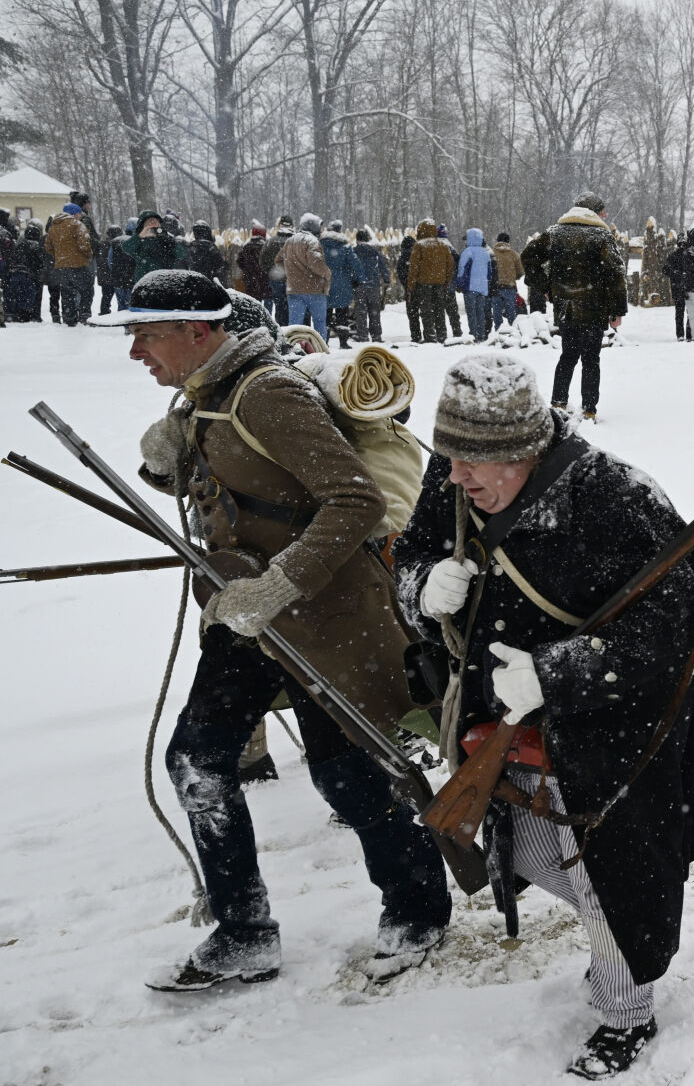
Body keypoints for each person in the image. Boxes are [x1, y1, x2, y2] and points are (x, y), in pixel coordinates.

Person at [392, 353, 694, 1079]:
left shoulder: (613, 495)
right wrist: (420, 585)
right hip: (503, 726)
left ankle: (626, 1008)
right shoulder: (455, 476)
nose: (456, 478)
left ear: (525, 451)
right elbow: (413, 549)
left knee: (609, 871)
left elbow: (681, 622)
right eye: (450, 458)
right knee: (534, 853)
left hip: (618, 726)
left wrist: (556, 674)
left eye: (476, 463)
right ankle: (625, 916)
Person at [88, 270, 451, 989]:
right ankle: (244, 930)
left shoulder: (269, 393)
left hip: (320, 614)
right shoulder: (208, 395)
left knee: (348, 775)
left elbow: (353, 499)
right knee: (196, 760)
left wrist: (280, 583)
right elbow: (236, 483)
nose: (135, 350)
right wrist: (169, 455)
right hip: (245, 612)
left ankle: (418, 909)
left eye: (146, 333)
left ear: (199, 331)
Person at [537, 192, 627, 417]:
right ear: (593, 211)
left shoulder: (555, 233)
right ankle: (588, 410)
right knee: (591, 360)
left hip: (567, 308)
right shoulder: (601, 235)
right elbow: (615, 273)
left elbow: (529, 259)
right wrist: (617, 309)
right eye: (602, 211)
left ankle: (558, 403)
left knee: (568, 356)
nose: (605, 215)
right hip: (594, 308)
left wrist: (547, 286)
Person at [43, 200, 95, 326]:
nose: (81, 215)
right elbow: (85, 245)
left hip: (61, 266)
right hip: (78, 265)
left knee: (67, 293)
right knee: (87, 290)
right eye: (79, 213)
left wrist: (60, 256)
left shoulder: (53, 227)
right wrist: (88, 255)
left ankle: (69, 318)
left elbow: (48, 247)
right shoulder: (77, 225)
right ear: (74, 214)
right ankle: (84, 316)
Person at [406, 220, 457, 344]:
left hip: (423, 284)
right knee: (439, 310)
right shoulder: (443, 245)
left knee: (426, 310)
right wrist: (446, 282)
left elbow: (414, 267)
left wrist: (411, 285)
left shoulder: (419, 245)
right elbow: (450, 265)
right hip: (439, 283)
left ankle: (430, 336)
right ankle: (442, 335)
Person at [283, 212, 331, 338]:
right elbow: (316, 264)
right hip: (314, 289)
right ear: (313, 227)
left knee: (294, 325)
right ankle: (321, 350)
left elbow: (278, 261)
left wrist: (292, 273)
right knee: (319, 322)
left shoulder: (290, 240)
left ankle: (292, 347)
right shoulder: (312, 241)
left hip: (294, 289)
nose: (321, 230)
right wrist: (328, 274)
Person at [321, 220, 360, 348]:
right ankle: (343, 342)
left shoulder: (320, 244)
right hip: (343, 284)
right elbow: (355, 264)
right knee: (342, 314)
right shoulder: (345, 246)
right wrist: (358, 278)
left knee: (325, 314)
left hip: (324, 283)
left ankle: (323, 341)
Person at [456, 228, 497, 342]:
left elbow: (462, 270)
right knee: (481, 312)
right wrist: (486, 284)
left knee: (471, 312)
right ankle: (482, 334)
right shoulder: (485, 253)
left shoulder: (468, 252)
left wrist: (460, 285)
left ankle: (473, 335)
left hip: (470, 287)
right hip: (482, 288)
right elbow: (489, 273)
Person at [351, 228, 392, 343]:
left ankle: (363, 336)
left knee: (361, 313)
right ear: (367, 239)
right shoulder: (375, 252)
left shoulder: (353, 252)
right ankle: (376, 335)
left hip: (359, 286)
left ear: (357, 239)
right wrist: (386, 280)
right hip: (373, 286)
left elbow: (349, 268)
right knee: (374, 312)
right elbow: (383, 267)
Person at [5, 220, 47, 322]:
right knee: (28, 295)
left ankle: (12, 314)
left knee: (14, 294)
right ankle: (26, 315)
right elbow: (40, 262)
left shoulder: (20, 245)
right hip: (29, 275)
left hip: (16, 272)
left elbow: (13, 258)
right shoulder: (37, 247)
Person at [260, 216, 294, 325]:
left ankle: (281, 329)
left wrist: (271, 271)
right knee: (293, 308)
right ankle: (292, 329)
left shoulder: (271, 241)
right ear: (292, 226)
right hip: (294, 280)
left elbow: (262, 261)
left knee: (279, 307)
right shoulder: (297, 242)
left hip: (276, 279)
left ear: (279, 226)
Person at [491, 232, 523, 330]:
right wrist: (513, 277)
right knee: (511, 312)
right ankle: (513, 331)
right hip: (510, 287)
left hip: (496, 287)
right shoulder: (514, 254)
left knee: (497, 312)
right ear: (508, 241)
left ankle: (498, 331)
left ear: (497, 241)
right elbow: (521, 271)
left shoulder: (492, 253)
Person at [108, 219, 138, 315]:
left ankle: (125, 325)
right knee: (132, 303)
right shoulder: (138, 242)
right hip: (132, 278)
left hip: (118, 278)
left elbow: (110, 260)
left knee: (121, 303)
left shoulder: (115, 241)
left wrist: (116, 271)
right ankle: (132, 326)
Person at [234, 223, 268, 299]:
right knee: (267, 305)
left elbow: (239, 261)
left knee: (254, 303)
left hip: (250, 281)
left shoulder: (247, 247)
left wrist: (247, 270)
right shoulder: (266, 246)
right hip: (265, 281)